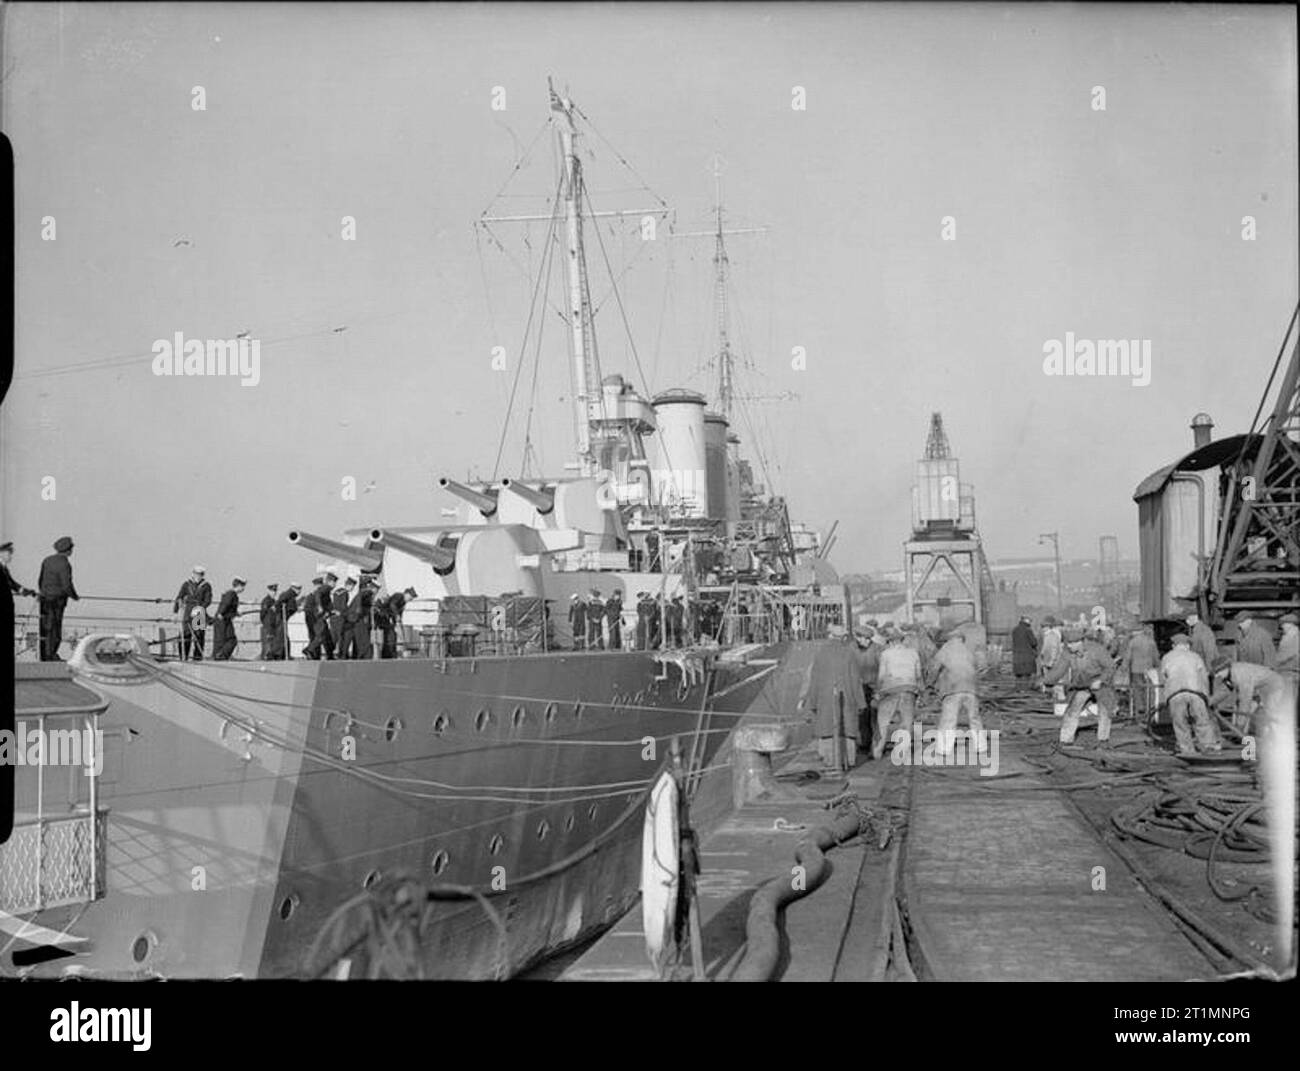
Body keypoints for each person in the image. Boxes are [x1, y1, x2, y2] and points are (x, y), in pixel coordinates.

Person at [1044, 628, 1116, 746]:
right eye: (1068, 643)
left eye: (1072, 643)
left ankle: (1103, 740)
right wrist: (1047, 681)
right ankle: (1065, 740)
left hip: (1101, 684)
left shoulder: (1097, 650)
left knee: (1105, 711)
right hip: (1082, 684)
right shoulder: (1067, 653)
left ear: (1081, 641)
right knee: (1072, 711)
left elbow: (1110, 667)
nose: (1069, 646)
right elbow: (1059, 669)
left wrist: (1101, 680)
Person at [1159, 633, 1219, 756]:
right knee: (1202, 721)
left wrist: (1165, 698)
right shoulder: (1196, 657)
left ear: (1173, 645)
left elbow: (1163, 678)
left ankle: (1187, 750)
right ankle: (1208, 747)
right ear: (1187, 645)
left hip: (1175, 694)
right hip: (1195, 693)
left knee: (1180, 723)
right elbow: (1204, 678)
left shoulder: (1167, 657)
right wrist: (1206, 697)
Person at [926, 630, 984, 757]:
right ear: (962, 639)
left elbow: (934, 668)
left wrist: (930, 684)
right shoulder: (968, 650)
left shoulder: (945, 650)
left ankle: (944, 749)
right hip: (971, 689)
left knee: (949, 719)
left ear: (948, 639)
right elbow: (977, 667)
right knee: (974, 718)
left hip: (952, 688)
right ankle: (980, 747)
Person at [873, 627, 921, 760]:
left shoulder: (886, 654)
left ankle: (878, 750)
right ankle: (903, 751)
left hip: (891, 689)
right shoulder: (913, 653)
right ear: (902, 640)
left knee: (883, 722)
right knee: (906, 722)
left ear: (890, 642)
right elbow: (918, 675)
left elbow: (881, 676)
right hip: (909, 689)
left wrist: (878, 692)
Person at [38, 536, 79, 661]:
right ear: (68, 550)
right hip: (57, 600)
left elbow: (40, 580)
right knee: (55, 627)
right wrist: (74, 596)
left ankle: (44, 655)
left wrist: (44, 592)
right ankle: (51, 654)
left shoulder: (47, 560)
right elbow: (66, 585)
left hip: (44, 598)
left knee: (45, 627)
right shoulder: (64, 563)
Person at [1120, 623, 1160, 721]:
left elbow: (1128, 657)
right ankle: (1150, 710)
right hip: (1148, 670)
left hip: (1136, 670)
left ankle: (1140, 710)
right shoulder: (1151, 642)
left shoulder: (1133, 642)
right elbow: (1156, 657)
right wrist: (1158, 666)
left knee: (1138, 690)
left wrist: (1123, 668)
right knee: (1149, 690)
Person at [173, 565, 213, 661]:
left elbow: (208, 600)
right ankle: (183, 657)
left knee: (199, 636)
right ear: (193, 574)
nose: (198, 576)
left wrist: (201, 608)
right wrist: (175, 612)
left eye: (200, 574)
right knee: (185, 635)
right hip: (188, 611)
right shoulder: (186, 584)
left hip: (199, 611)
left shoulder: (206, 586)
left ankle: (197, 658)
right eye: (197, 574)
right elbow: (179, 597)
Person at [303, 573, 338, 660]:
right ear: (329, 582)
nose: (335, 584)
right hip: (318, 616)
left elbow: (328, 603)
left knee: (327, 636)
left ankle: (330, 655)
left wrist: (332, 611)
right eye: (334, 582)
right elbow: (318, 594)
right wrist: (320, 606)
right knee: (321, 635)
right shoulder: (325, 588)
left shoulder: (327, 590)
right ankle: (308, 650)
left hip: (319, 616)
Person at [212, 577, 245, 660]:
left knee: (229, 640)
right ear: (238, 586)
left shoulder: (232, 594)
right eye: (242, 586)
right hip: (222, 620)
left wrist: (236, 613)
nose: (243, 588)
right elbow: (226, 604)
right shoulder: (231, 594)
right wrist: (220, 613)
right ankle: (220, 655)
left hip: (226, 619)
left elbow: (229, 608)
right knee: (228, 640)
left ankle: (221, 655)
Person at [273, 584, 300, 659]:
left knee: (284, 635)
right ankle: (278, 654)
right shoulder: (289, 593)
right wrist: (276, 606)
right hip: (282, 616)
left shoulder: (291, 594)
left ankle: (284, 653)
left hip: (285, 617)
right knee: (281, 635)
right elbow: (281, 600)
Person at [1276, 613, 1298, 686]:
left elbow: (1284, 655)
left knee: (1288, 695)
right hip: (1290, 671)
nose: (1282, 627)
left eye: (1283, 624)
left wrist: (1272, 663)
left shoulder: (1291, 637)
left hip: (1290, 672)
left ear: (1290, 624)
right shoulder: (1292, 635)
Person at [260, 583, 280, 659]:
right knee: (268, 641)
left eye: (275, 591)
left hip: (273, 624)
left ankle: (270, 655)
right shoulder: (266, 601)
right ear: (268, 591)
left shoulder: (273, 601)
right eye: (272, 591)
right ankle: (266, 656)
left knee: (272, 641)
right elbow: (263, 614)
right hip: (268, 624)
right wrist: (265, 622)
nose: (274, 593)